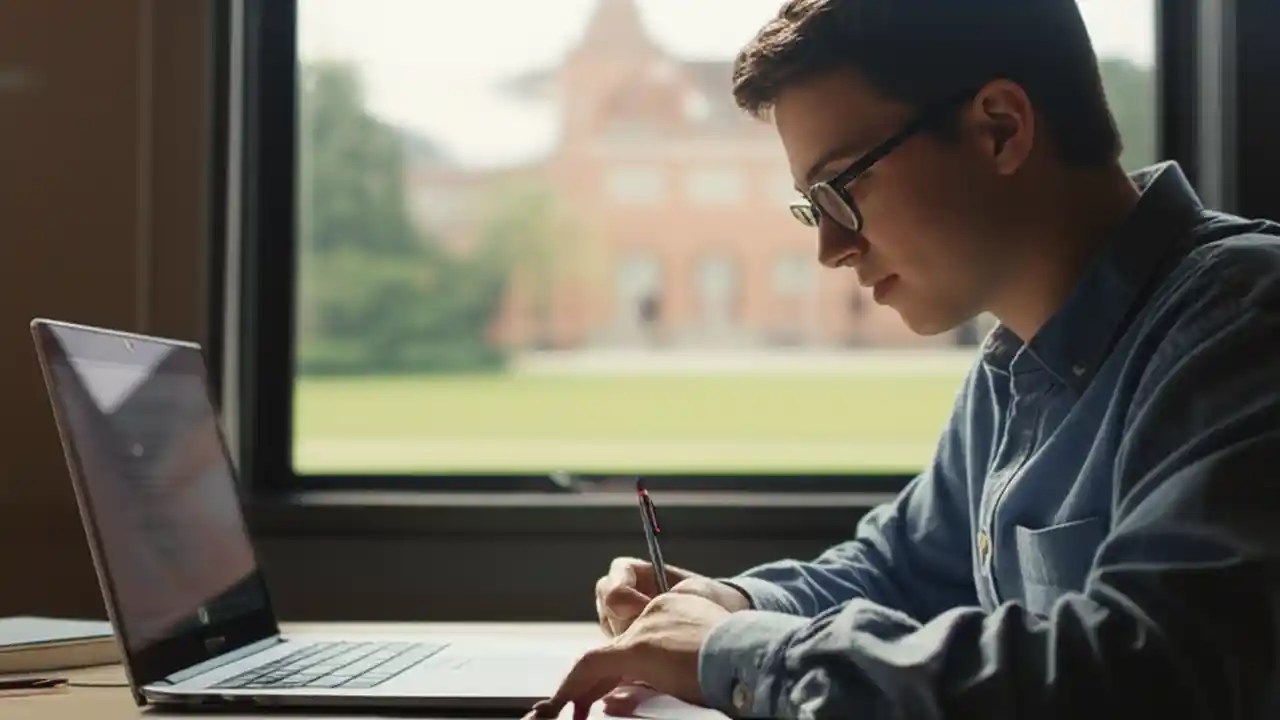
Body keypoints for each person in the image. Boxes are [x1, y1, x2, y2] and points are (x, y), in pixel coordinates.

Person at [529, 0, 1280, 717]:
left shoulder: (1247, 325)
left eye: (843, 187)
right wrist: (733, 607)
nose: (830, 248)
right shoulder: (1020, 365)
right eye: (811, 206)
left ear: (999, 129)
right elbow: (902, 572)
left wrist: (738, 653)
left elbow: (1149, 676)